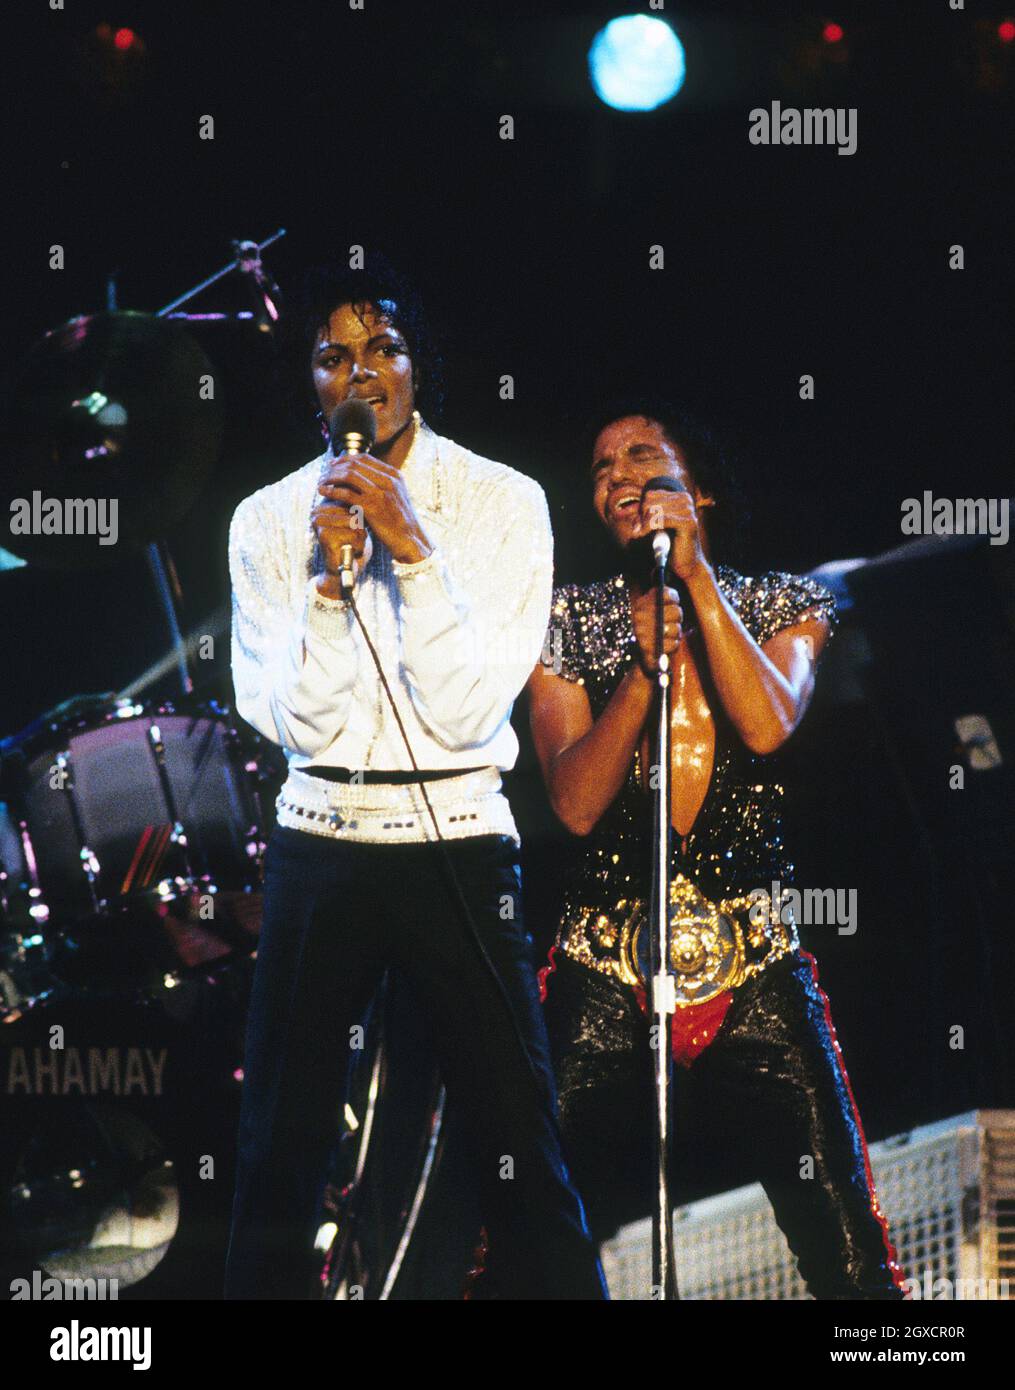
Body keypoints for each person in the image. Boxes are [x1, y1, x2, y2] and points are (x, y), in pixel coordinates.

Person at [224, 260, 606, 1299]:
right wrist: (327, 583)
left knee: (517, 1143)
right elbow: (294, 721)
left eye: (381, 347)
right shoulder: (264, 520)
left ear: (418, 366)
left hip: (453, 840)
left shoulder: (501, 501)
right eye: (331, 354)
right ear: (311, 379)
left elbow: (465, 708)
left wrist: (416, 553)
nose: (360, 372)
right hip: (320, 840)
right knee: (276, 1151)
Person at [527, 402, 906, 1299]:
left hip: (755, 962)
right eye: (599, 468)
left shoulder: (786, 602)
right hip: (601, 961)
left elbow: (768, 722)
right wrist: (638, 673)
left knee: (851, 1257)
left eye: (640, 458)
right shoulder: (565, 623)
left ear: (696, 489)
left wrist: (695, 581)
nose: (616, 476)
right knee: (516, 1234)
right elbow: (575, 804)